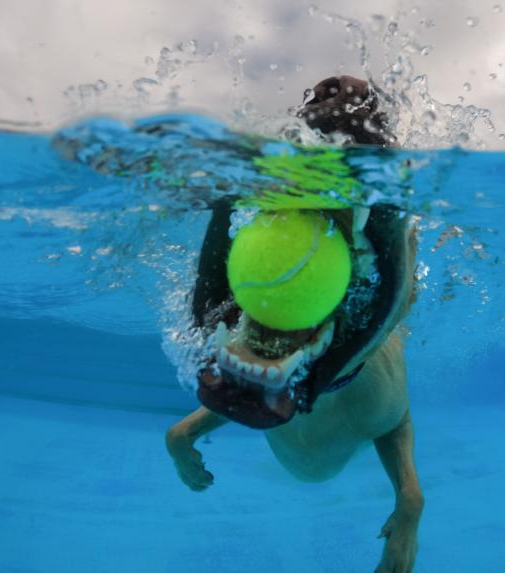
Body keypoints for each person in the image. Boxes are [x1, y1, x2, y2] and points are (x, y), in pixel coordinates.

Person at [166, 76, 424, 573]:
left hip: (357, 288)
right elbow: (255, 384)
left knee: (397, 303)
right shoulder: (281, 186)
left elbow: (394, 420)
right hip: (329, 240)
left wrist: (410, 503)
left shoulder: (374, 395)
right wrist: (181, 437)